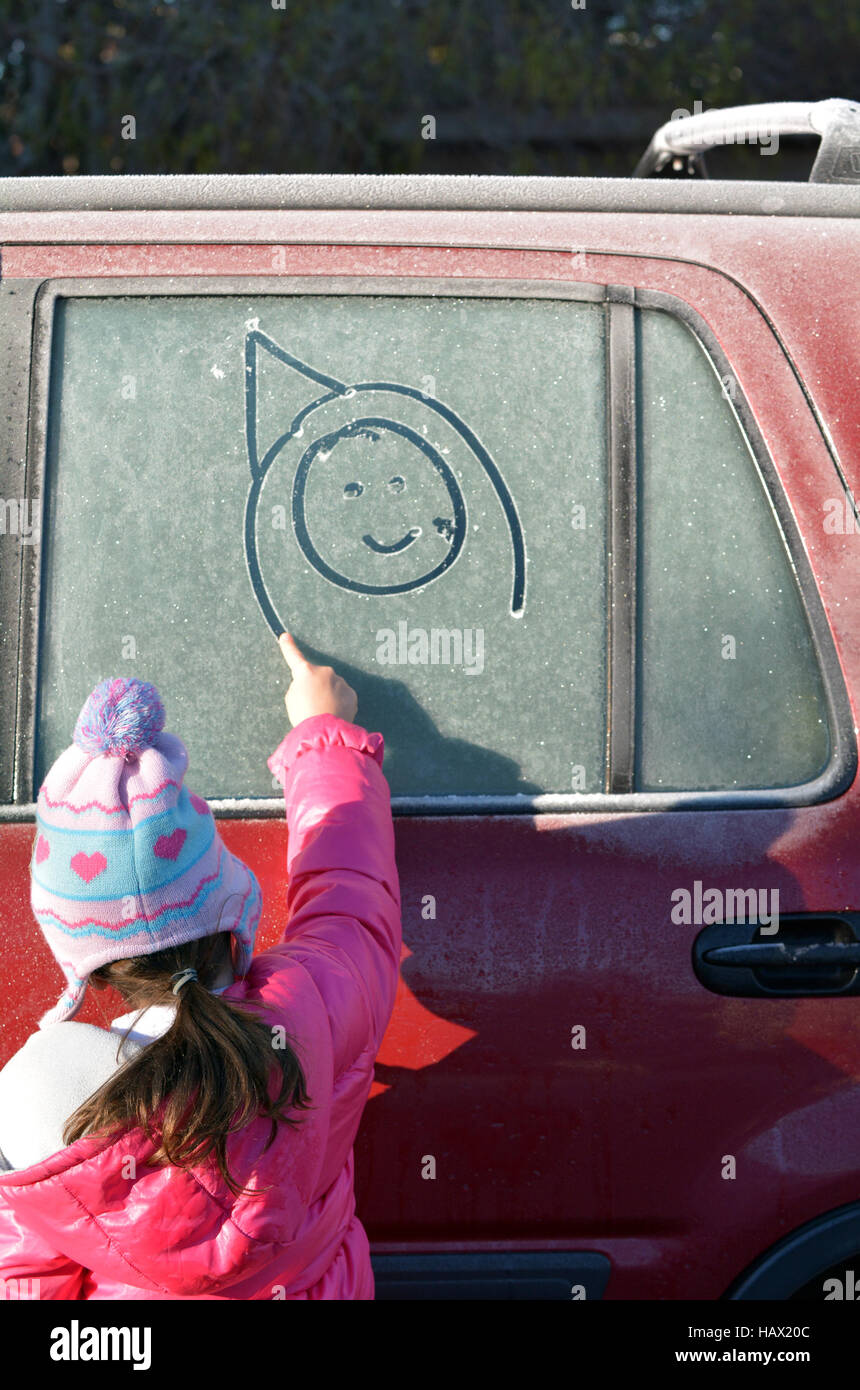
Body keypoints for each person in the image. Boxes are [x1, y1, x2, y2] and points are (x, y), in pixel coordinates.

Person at [0, 632, 401, 1299]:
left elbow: (26, 1278)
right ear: (230, 917)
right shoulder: (310, 1006)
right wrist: (323, 734)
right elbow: (351, 897)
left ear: (91, 971)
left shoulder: (40, 1102)